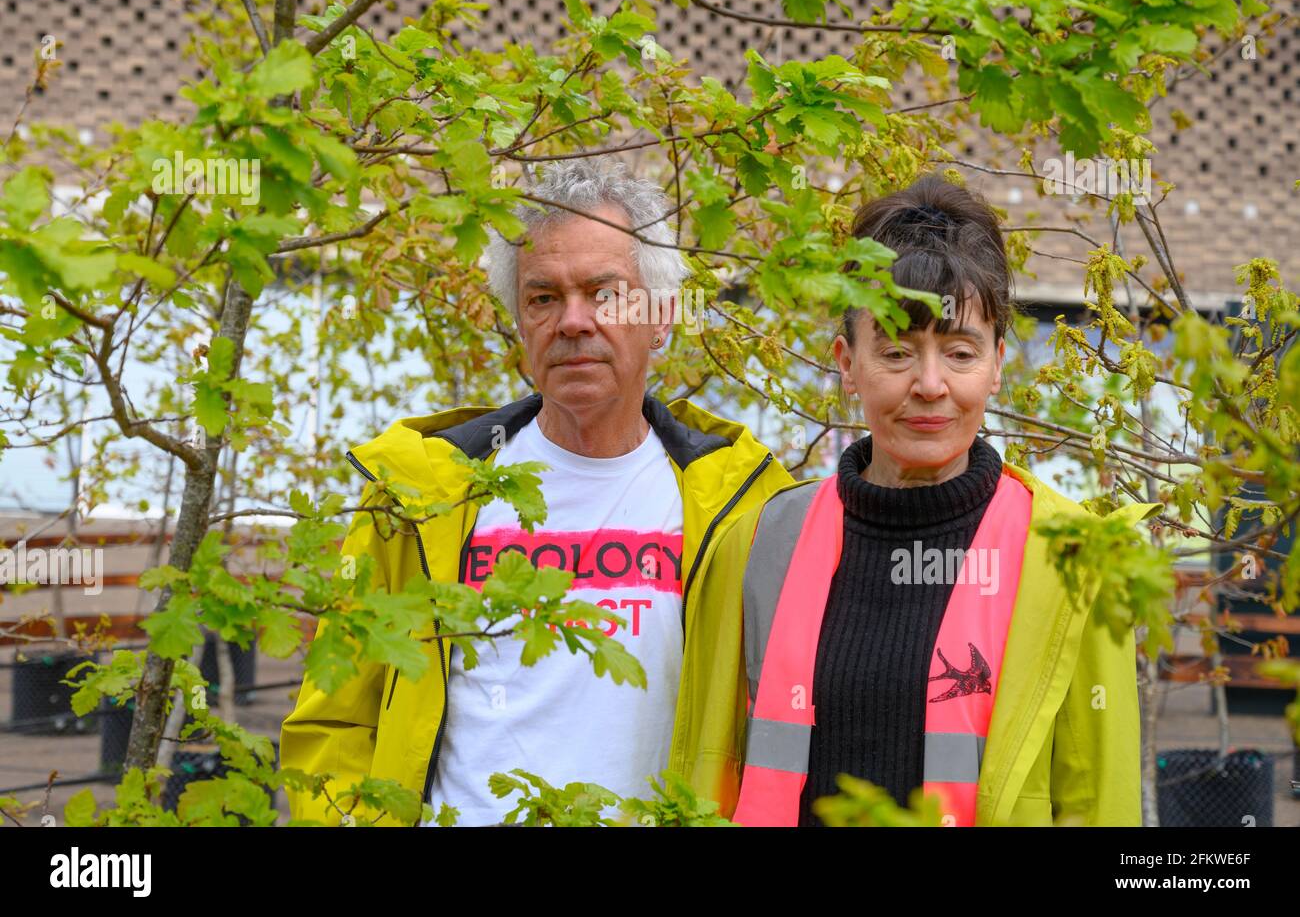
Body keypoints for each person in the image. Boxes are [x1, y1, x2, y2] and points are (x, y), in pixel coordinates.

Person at [280, 156, 792, 825]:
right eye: (543, 297)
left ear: (662, 317)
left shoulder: (746, 510)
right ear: (520, 324)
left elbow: (785, 724)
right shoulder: (421, 495)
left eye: (604, 293)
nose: (573, 322)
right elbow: (335, 723)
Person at [668, 175, 1157, 826]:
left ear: (998, 362)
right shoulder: (756, 546)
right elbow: (704, 772)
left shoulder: (1074, 563)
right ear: (846, 362)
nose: (930, 385)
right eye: (897, 351)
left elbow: (1100, 804)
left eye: (959, 352)